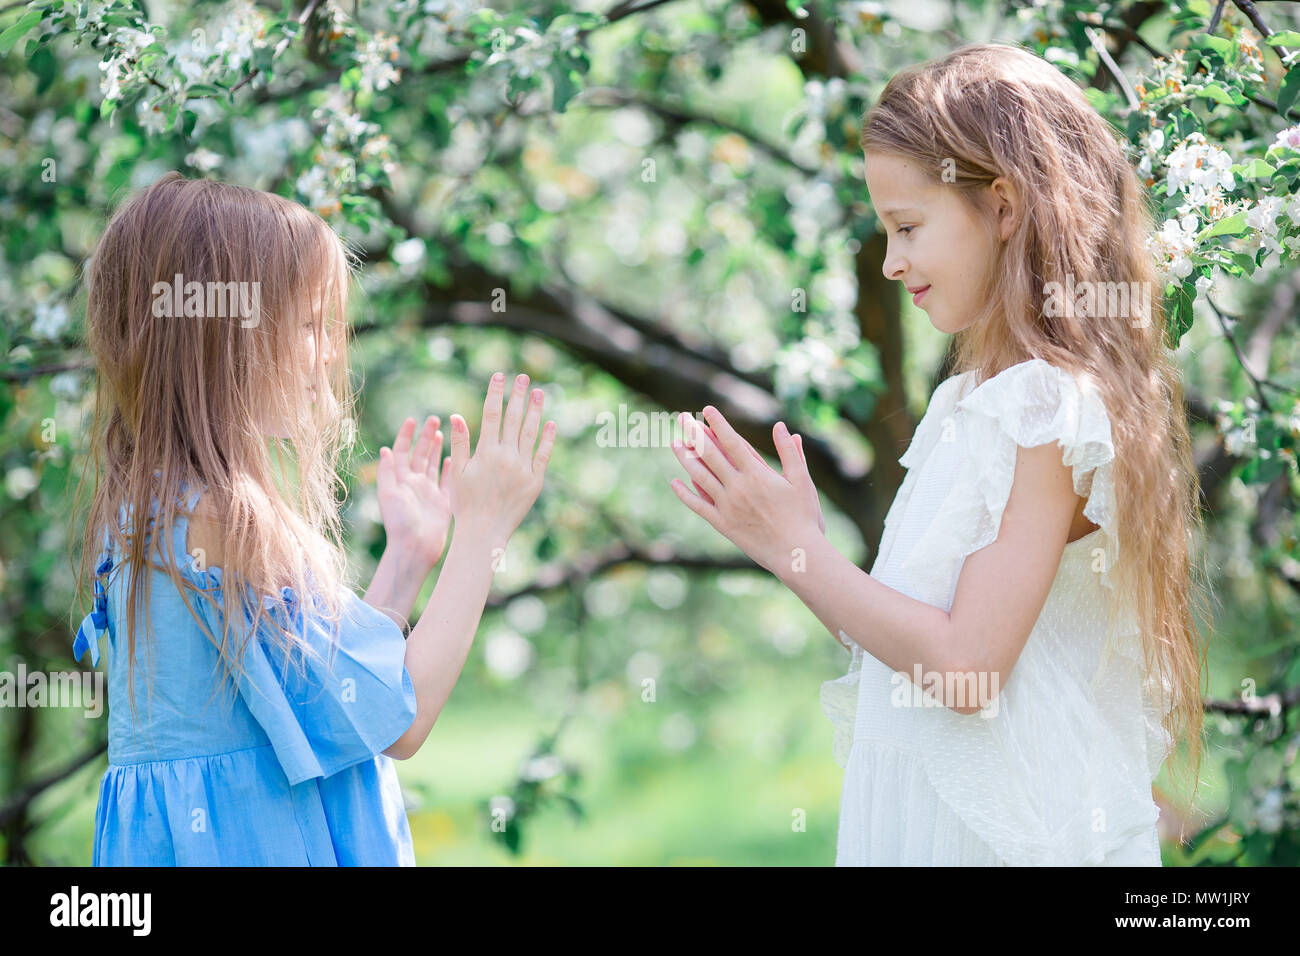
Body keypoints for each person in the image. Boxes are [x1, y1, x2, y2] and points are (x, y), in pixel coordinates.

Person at [668, 42, 1210, 866]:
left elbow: (968, 667)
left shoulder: (1046, 406)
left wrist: (800, 551)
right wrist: (799, 554)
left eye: (908, 227)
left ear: (1002, 208)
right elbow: (913, 653)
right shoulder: (970, 402)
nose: (890, 263)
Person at [74, 172, 555, 865]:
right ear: (220, 340)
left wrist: (407, 560)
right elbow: (403, 720)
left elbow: (333, 704)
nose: (330, 353)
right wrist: (482, 533)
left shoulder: (155, 505)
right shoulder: (225, 517)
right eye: (307, 325)